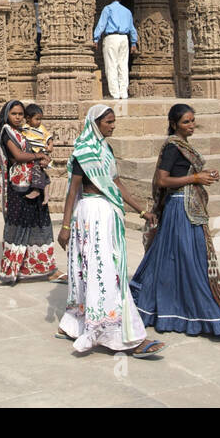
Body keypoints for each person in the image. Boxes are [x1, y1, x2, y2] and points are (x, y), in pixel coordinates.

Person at [129, 103, 220, 342]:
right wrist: (195, 177)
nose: (192, 125)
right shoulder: (173, 147)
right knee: (194, 263)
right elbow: (162, 180)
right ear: (174, 124)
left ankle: (169, 309)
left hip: (188, 208)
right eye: (186, 121)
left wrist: (203, 175)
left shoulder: (184, 146)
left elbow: (181, 174)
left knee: (173, 260)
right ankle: (215, 319)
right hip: (180, 209)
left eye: (193, 120)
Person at [56, 104, 165, 357]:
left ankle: (74, 324)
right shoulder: (85, 152)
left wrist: (141, 211)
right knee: (103, 272)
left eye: (114, 121)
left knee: (103, 269)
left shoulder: (105, 149)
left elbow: (117, 184)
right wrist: (64, 227)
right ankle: (122, 335)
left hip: (107, 214)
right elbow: (72, 192)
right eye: (108, 122)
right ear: (96, 123)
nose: (113, 126)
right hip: (90, 215)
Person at [0, 100, 67, 286]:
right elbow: (18, 156)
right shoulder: (7, 133)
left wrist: (42, 158)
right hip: (19, 187)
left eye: (20, 114)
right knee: (19, 225)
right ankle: (14, 269)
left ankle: (47, 268)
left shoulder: (23, 132)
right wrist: (39, 156)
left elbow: (37, 147)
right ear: (7, 115)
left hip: (33, 182)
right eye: (14, 114)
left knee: (40, 223)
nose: (18, 117)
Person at [92, 0, 138, 100]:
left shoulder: (108, 9)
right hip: (124, 39)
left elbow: (101, 24)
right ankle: (124, 93)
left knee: (111, 65)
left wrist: (96, 38)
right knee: (123, 65)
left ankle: (115, 94)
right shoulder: (127, 11)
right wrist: (133, 42)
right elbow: (132, 28)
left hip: (111, 38)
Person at [20, 103, 55, 200]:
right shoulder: (25, 128)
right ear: (28, 118)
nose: (39, 122)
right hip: (32, 151)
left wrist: (50, 145)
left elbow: (48, 137)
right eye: (37, 119)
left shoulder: (41, 128)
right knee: (41, 171)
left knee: (36, 168)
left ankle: (36, 190)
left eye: (40, 119)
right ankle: (46, 191)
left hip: (40, 151)